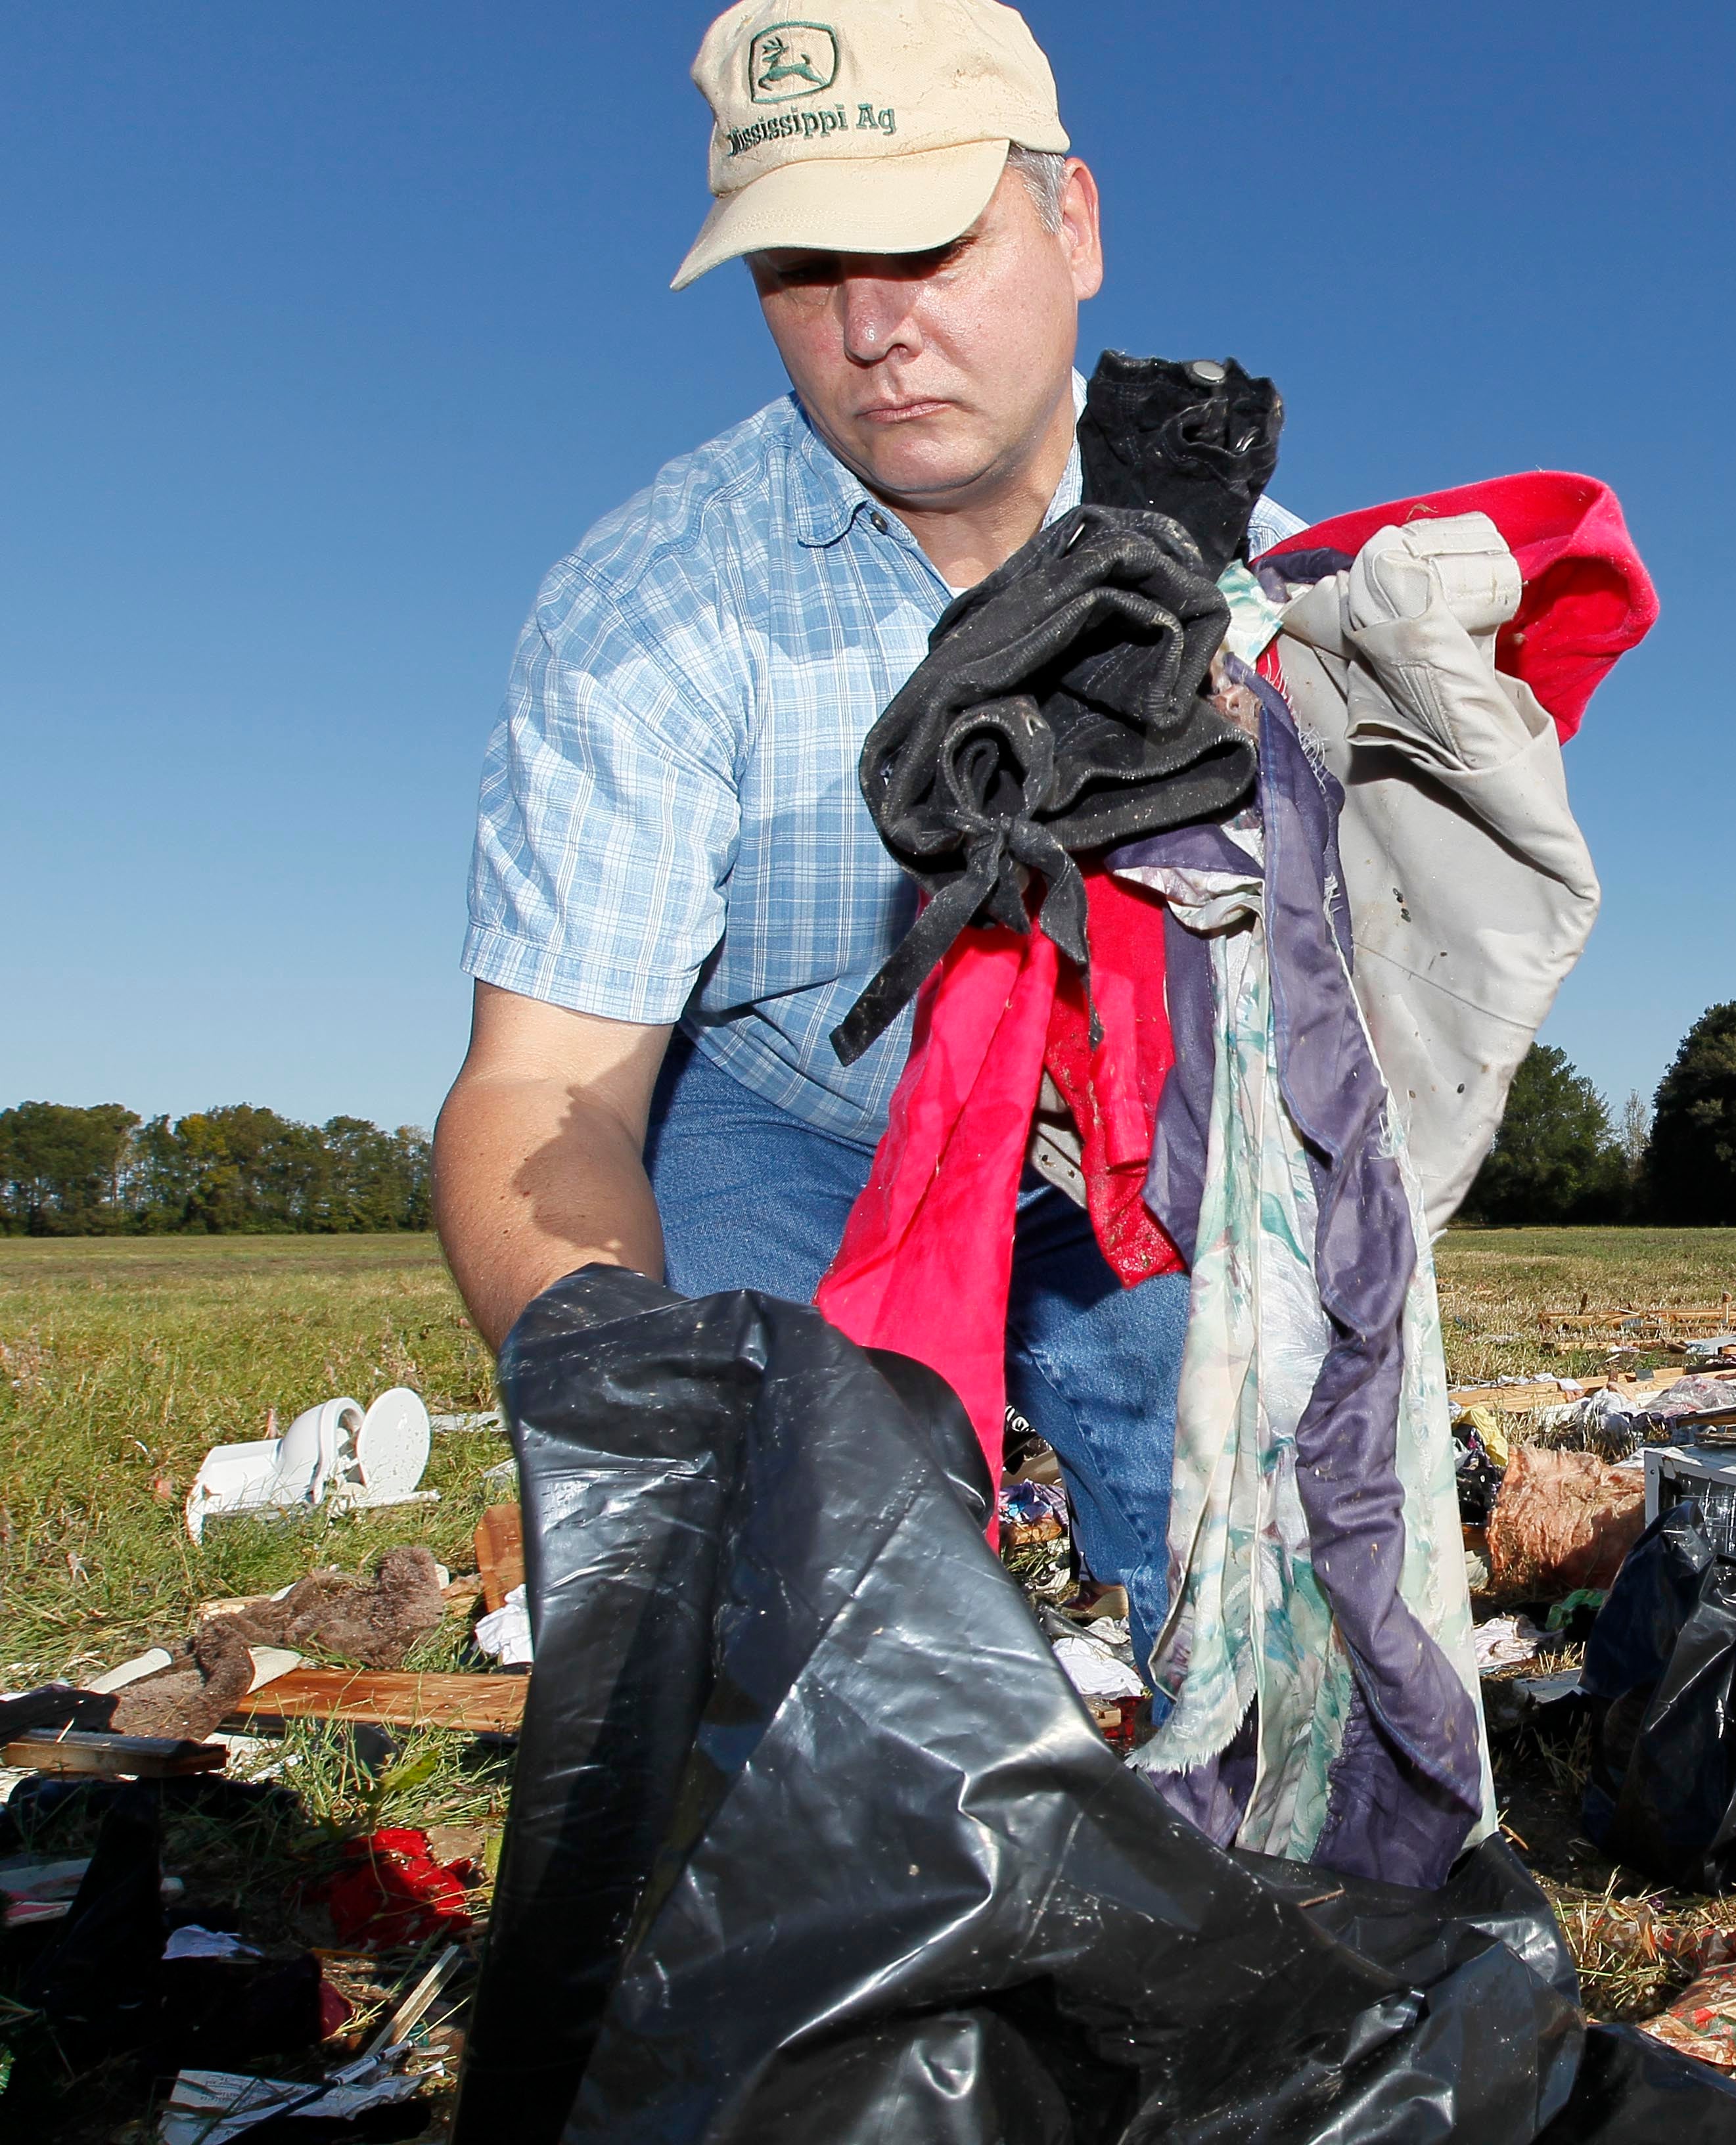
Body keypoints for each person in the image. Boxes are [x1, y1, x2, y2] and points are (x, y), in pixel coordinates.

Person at [432, 0, 1287, 1676]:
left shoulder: (1258, 584)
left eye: (927, 243)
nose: (874, 328)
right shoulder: (647, 612)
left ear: (1073, 221)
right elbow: (544, 1090)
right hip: (781, 1111)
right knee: (790, 1590)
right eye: (802, 270)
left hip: (1127, 1142)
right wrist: (622, 1376)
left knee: (1256, 1598)